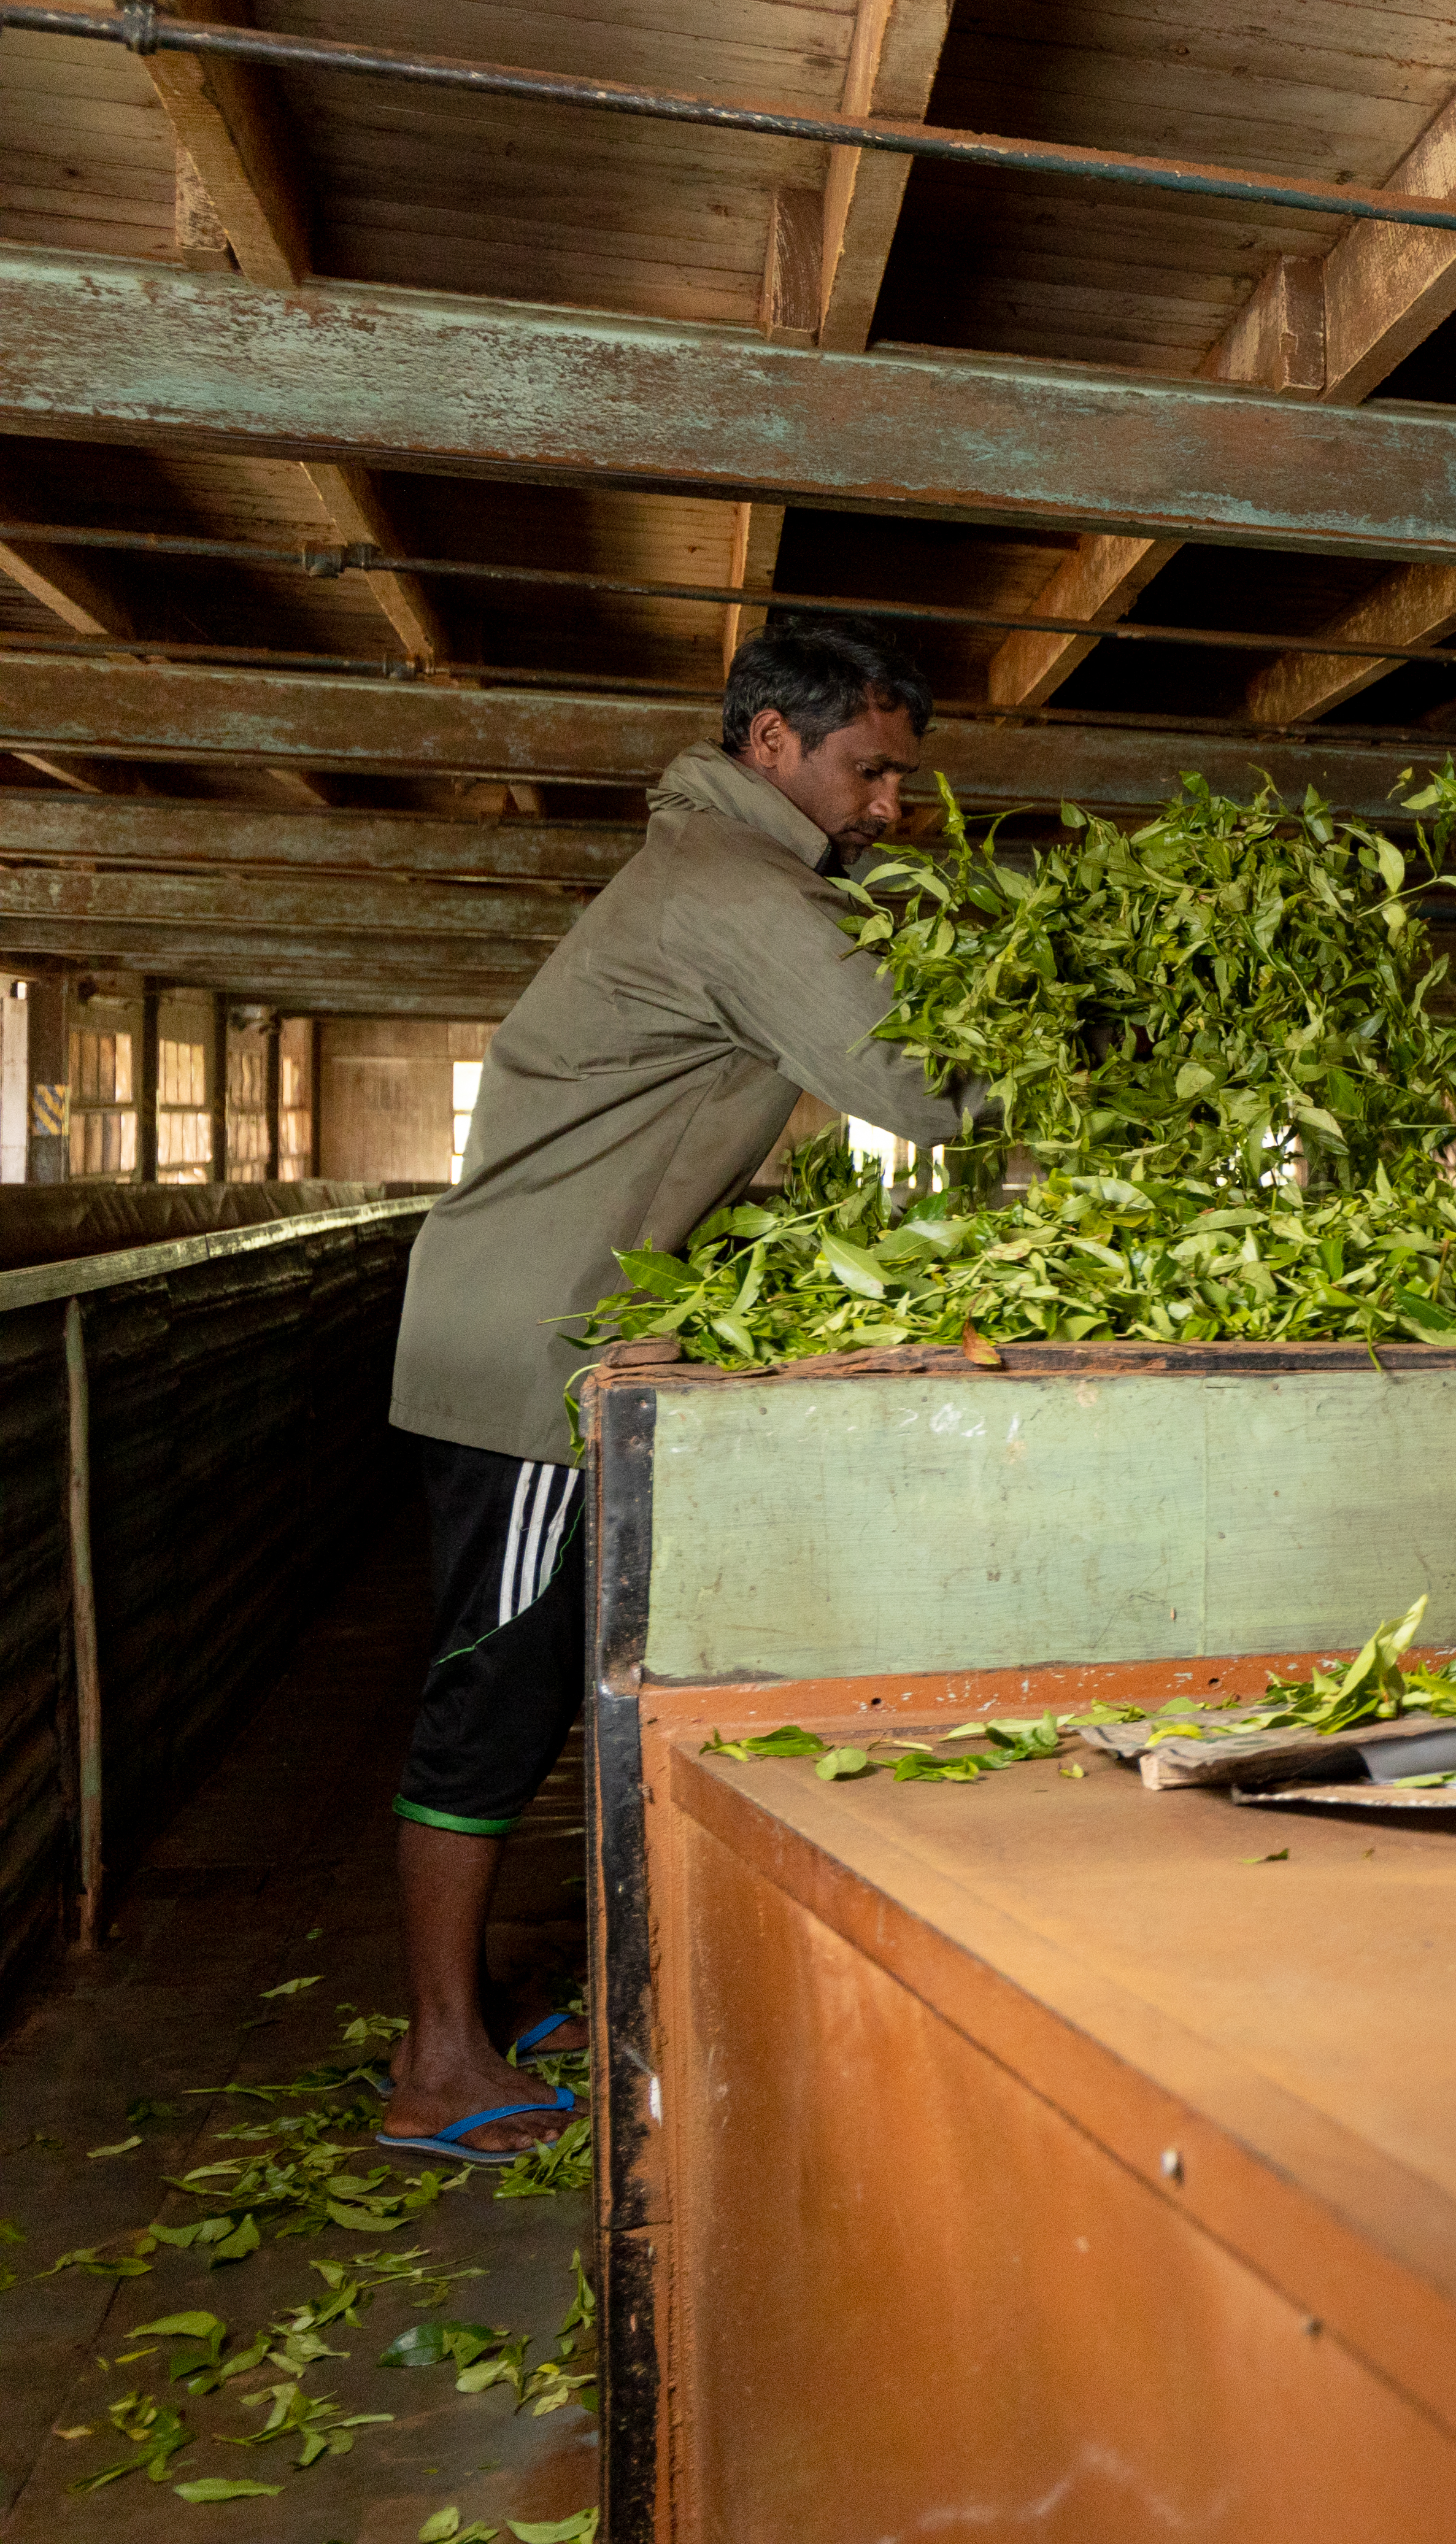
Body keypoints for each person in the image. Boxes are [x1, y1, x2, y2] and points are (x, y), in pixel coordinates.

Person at [377, 614, 987, 2158]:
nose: (890, 808)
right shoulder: (731, 891)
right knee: (492, 1696)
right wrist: (1091, 1017)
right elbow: (919, 1082)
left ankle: (579, 1991)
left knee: (594, 1682)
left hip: (590, 1339)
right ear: (769, 747)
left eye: (902, 781)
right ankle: (438, 2059)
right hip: (529, 1357)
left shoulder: (742, 879)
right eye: (871, 772)